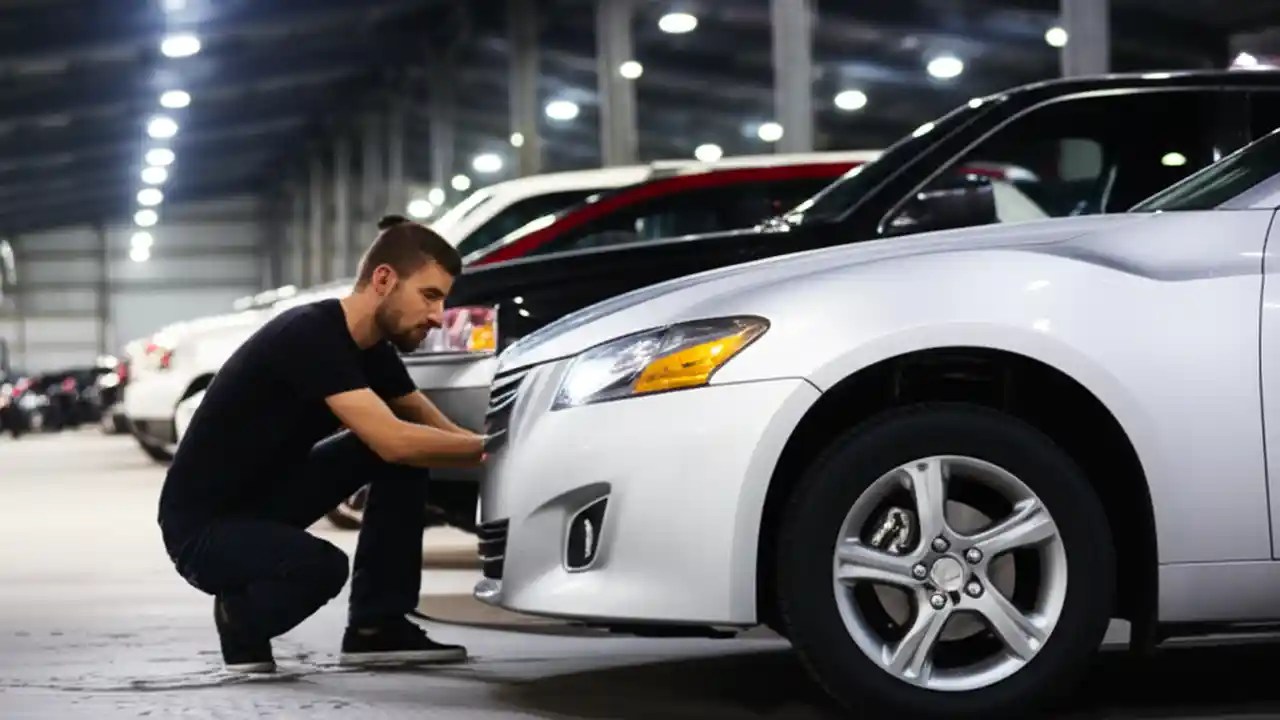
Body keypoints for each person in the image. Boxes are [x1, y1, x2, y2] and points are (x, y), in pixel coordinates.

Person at [156, 216, 485, 673]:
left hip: (265, 502)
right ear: (384, 279)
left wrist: (498, 448)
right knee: (323, 566)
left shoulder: (372, 349)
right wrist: (490, 449)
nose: (436, 315)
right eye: (430, 295)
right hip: (203, 532)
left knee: (412, 449)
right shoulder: (310, 335)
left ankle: (378, 628)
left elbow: (432, 428)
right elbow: (394, 441)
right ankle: (241, 617)